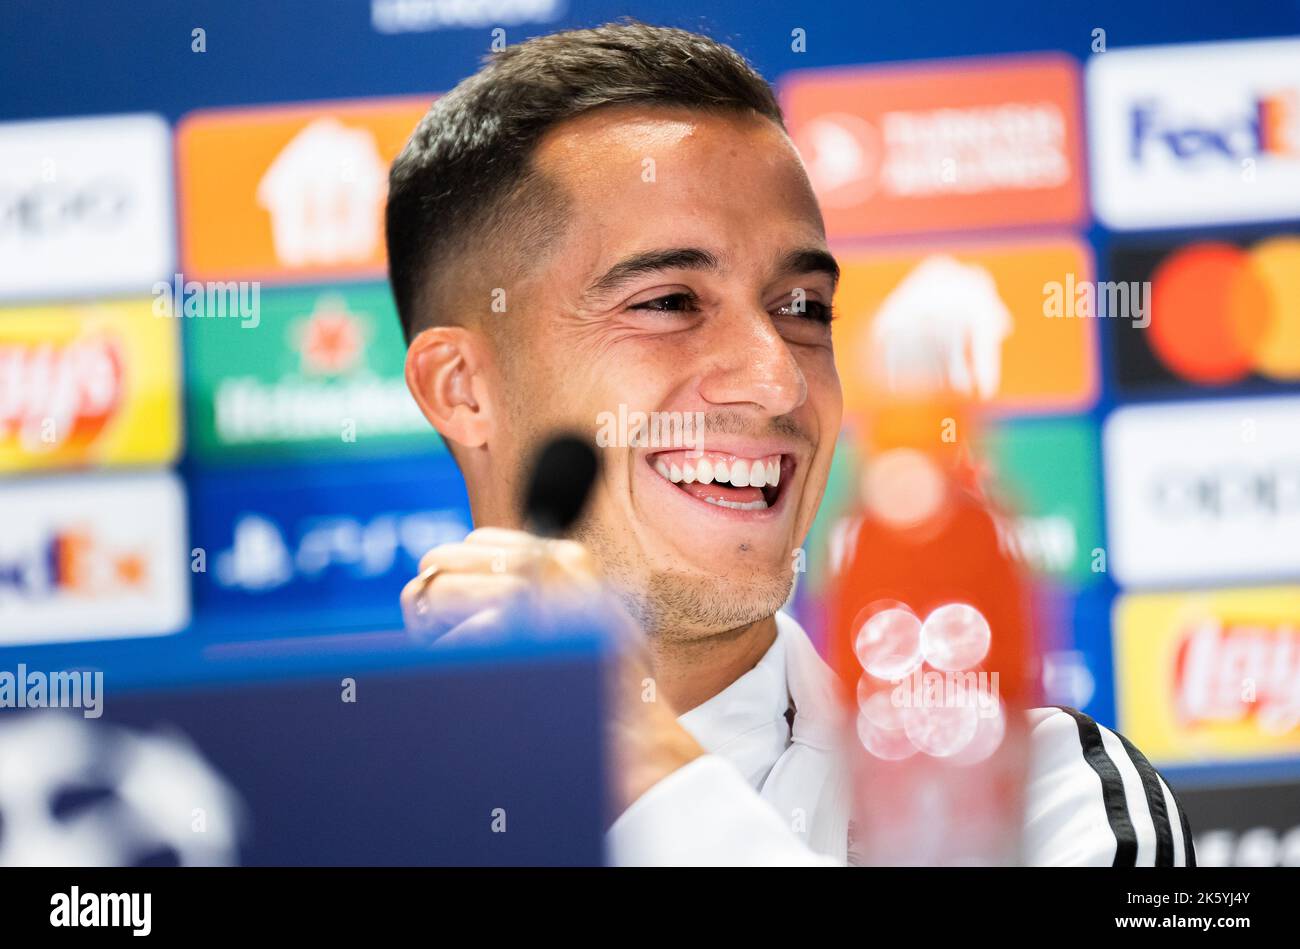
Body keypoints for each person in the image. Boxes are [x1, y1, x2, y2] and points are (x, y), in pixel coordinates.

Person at [386, 21, 1193, 866]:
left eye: (802, 308)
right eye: (668, 302)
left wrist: (623, 736)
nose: (780, 382)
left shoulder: (1040, 795)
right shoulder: (298, 801)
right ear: (462, 389)